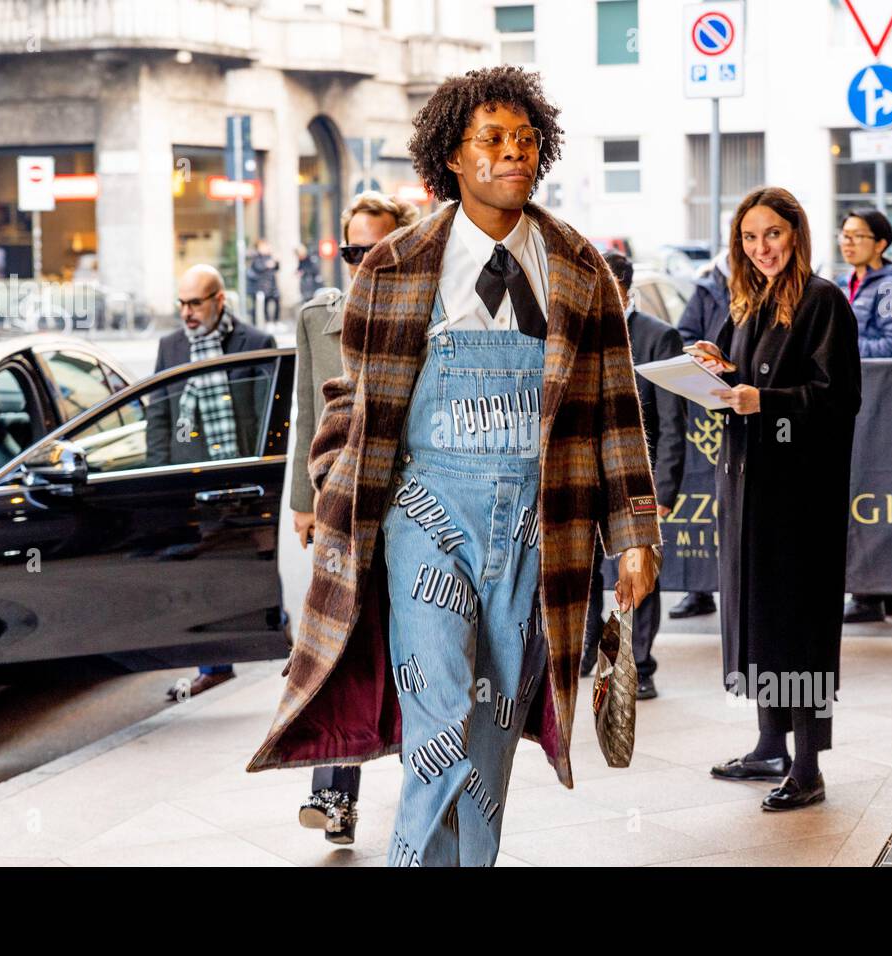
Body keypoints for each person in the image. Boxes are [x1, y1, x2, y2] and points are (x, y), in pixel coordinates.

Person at [247, 65, 661, 867]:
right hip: (425, 517)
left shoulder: (580, 269)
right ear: (451, 156)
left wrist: (634, 531)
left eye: (526, 140)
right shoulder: (395, 266)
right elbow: (352, 396)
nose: (514, 154)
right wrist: (339, 477)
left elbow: (617, 411)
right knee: (438, 728)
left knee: (492, 736)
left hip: (537, 527)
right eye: (493, 140)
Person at [689, 186, 861, 812]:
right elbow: (751, 381)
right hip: (749, 485)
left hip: (798, 498)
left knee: (799, 625)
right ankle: (769, 745)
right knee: (758, 616)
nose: (761, 248)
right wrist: (721, 369)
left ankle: (808, 766)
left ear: (796, 235)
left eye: (773, 234)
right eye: (750, 237)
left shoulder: (823, 302)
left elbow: (837, 398)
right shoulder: (750, 304)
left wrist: (769, 401)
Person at [291, 190, 418, 845]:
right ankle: (333, 798)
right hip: (343, 510)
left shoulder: (431, 314)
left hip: (414, 514)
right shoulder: (317, 318)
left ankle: (426, 793)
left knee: (414, 653)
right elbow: (307, 417)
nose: (363, 261)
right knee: (340, 648)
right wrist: (302, 502)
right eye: (352, 250)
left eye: (377, 248)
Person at [151, 264, 277, 700]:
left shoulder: (255, 343)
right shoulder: (171, 347)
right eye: (181, 303)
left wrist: (268, 482)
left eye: (195, 303)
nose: (186, 312)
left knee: (252, 572)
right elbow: (159, 419)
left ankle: (274, 651)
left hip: (243, 481)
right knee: (201, 573)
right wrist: (160, 479)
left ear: (219, 300)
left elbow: (267, 418)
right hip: (193, 482)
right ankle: (213, 666)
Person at [580, 252, 685, 701]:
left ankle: (640, 665)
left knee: (637, 571)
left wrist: (665, 488)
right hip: (585, 475)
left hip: (638, 478)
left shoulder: (659, 337)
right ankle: (584, 654)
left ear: (623, 285)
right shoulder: (579, 332)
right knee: (583, 575)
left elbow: (672, 422)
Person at [837, 207, 892, 624]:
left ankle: (873, 592)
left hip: (880, 405)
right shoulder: (846, 281)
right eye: (844, 235)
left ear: (881, 243)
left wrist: (839, 347)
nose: (847, 242)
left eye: (857, 236)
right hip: (856, 402)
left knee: (872, 496)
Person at [669, 253, 732, 619]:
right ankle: (700, 590)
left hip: (744, 402)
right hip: (702, 403)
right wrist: (705, 357)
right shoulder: (707, 289)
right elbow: (685, 336)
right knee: (701, 496)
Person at [247, 240, 281, 325]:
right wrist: (267, 265)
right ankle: (265, 321)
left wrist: (276, 262)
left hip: (272, 285)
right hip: (260, 286)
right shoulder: (256, 257)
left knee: (276, 301)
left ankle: (275, 321)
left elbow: (276, 268)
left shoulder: (270, 257)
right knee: (263, 305)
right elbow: (258, 268)